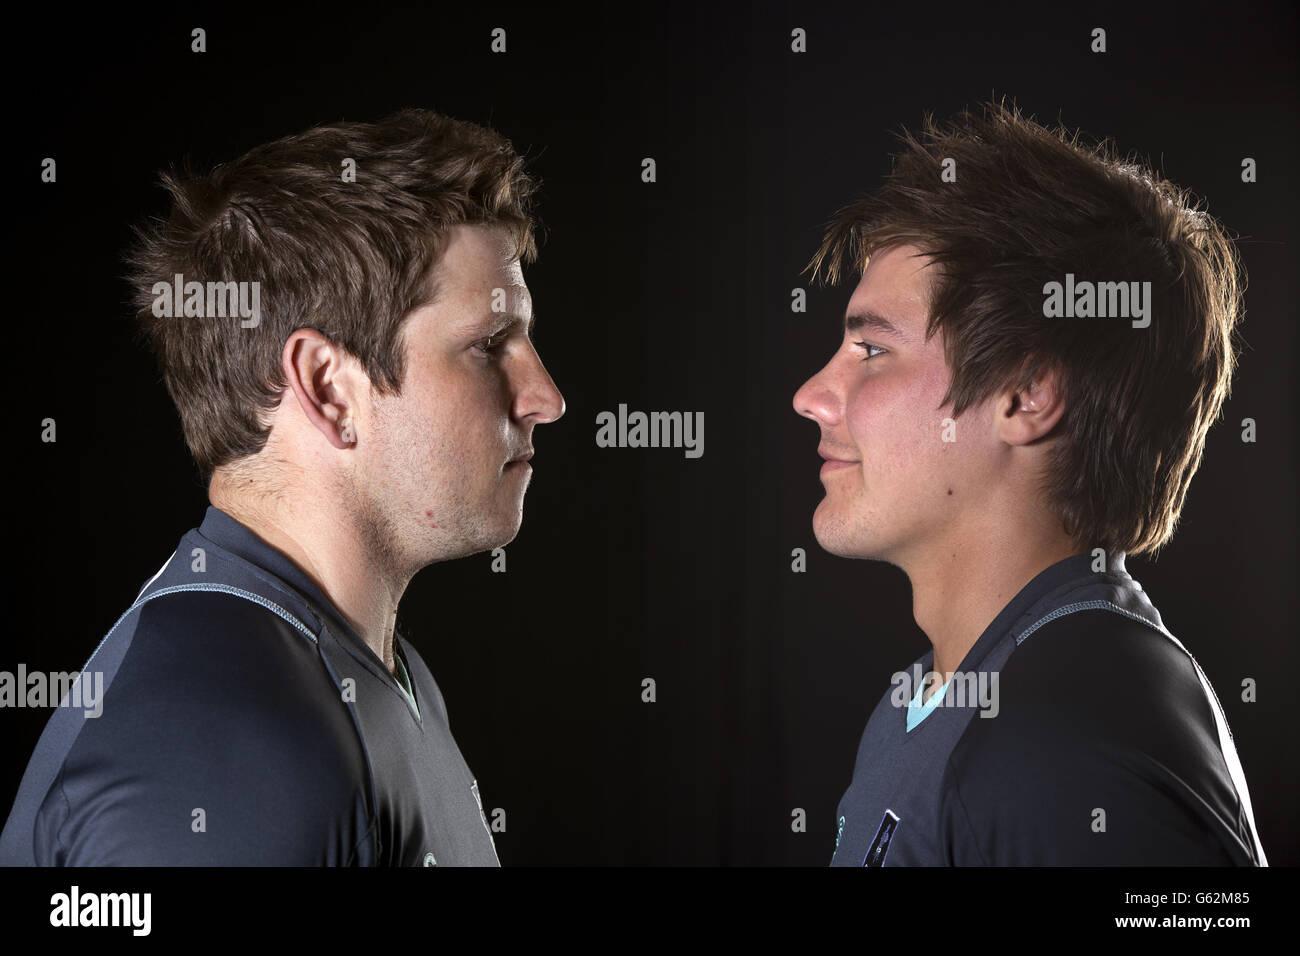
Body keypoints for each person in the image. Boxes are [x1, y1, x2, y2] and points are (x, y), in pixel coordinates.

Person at [1, 109, 564, 865]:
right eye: (490, 344)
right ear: (329, 389)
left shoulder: (370, 671)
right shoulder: (217, 748)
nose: (546, 396)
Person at [793, 100, 1266, 866]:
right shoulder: (932, 699)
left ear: (1026, 397)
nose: (812, 394)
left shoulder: (1066, 738)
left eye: (872, 351)